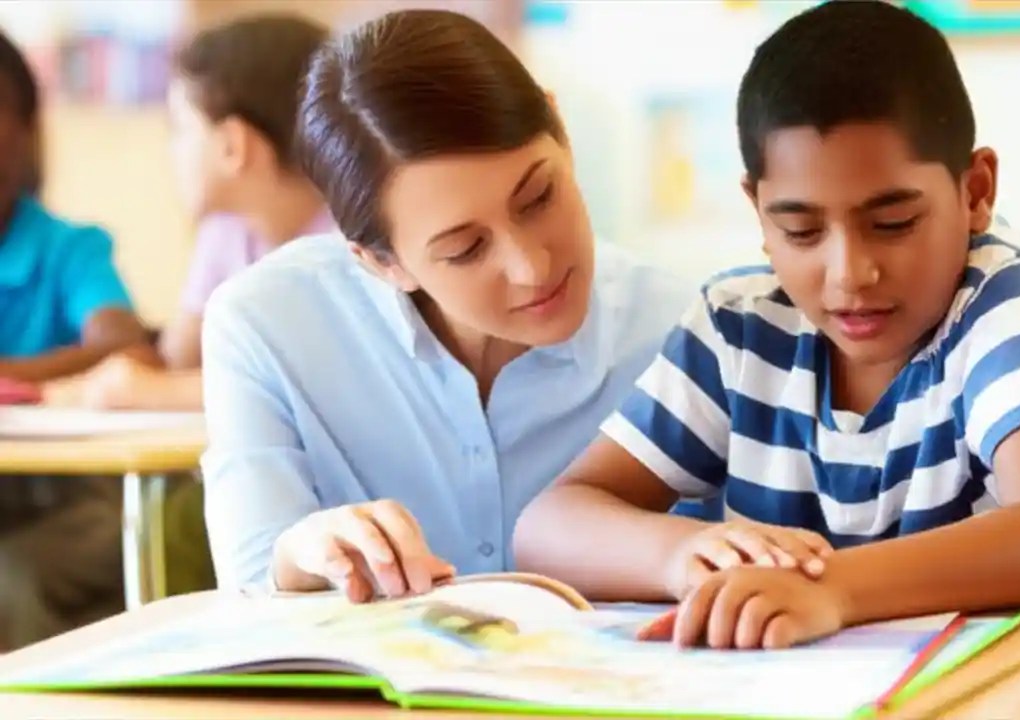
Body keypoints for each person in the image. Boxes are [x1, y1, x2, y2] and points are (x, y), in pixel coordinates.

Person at [514, 0, 1020, 650]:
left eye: (893, 224)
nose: (849, 273)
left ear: (975, 192)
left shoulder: (1009, 301)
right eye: (800, 231)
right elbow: (547, 525)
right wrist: (683, 555)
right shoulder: (738, 327)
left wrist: (831, 587)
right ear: (759, 210)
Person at [199, 9, 728, 601]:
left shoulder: (692, 332)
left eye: (539, 197)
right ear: (382, 262)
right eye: (466, 249)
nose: (534, 266)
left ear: (560, 128)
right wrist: (300, 555)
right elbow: (246, 588)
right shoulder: (268, 326)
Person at [44, 15, 333, 410]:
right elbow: (179, 359)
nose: (172, 151)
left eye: (180, 128)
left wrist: (149, 392)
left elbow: (318, 389)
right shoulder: (226, 231)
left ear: (233, 146)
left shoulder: (348, 242)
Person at [0, 31, 151, 650]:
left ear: (26, 132)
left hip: (73, 505)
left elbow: (129, 349)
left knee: (9, 583)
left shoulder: (69, 249)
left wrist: (13, 373)